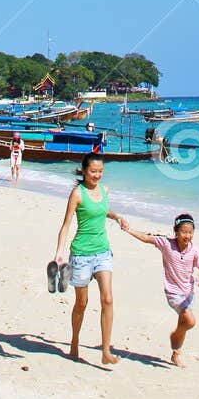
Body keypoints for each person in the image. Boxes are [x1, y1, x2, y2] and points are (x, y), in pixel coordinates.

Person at [52, 154, 129, 366]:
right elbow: (66, 224)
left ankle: (106, 351)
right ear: (84, 171)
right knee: (82, 303)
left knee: (108, 299)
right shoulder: (77, 193)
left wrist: (117, 217)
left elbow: (102, 211)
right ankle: (75, 342)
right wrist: (60, 251)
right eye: (93, 171)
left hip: (103, 252)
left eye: (100, 171)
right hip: (81, 255)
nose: (97, 175)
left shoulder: (105, 190)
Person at [123, 212, 199, 366]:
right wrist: (129, 230)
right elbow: (147, 238)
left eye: (190, 232)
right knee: (190, 321)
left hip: (189, 293)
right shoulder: (166, 244)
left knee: (184, 322)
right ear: (175, 231)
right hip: (173, 293)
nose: (187, 235)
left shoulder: (195, 251)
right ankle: (175, 336)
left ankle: (176, 352)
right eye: (183, 231)